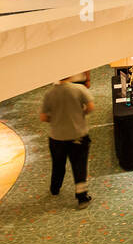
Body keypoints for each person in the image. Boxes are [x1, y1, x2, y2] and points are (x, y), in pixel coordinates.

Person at [40, 76, 95, 208]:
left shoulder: (49, 93)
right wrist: (80, 114)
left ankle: (55, 188)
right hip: (78, 136)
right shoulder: (79, 89)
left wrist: (56, 120)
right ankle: (82, 197)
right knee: (79, 166)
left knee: (58, 164)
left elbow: (43, 117)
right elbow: (91, 107)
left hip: (56, 138)